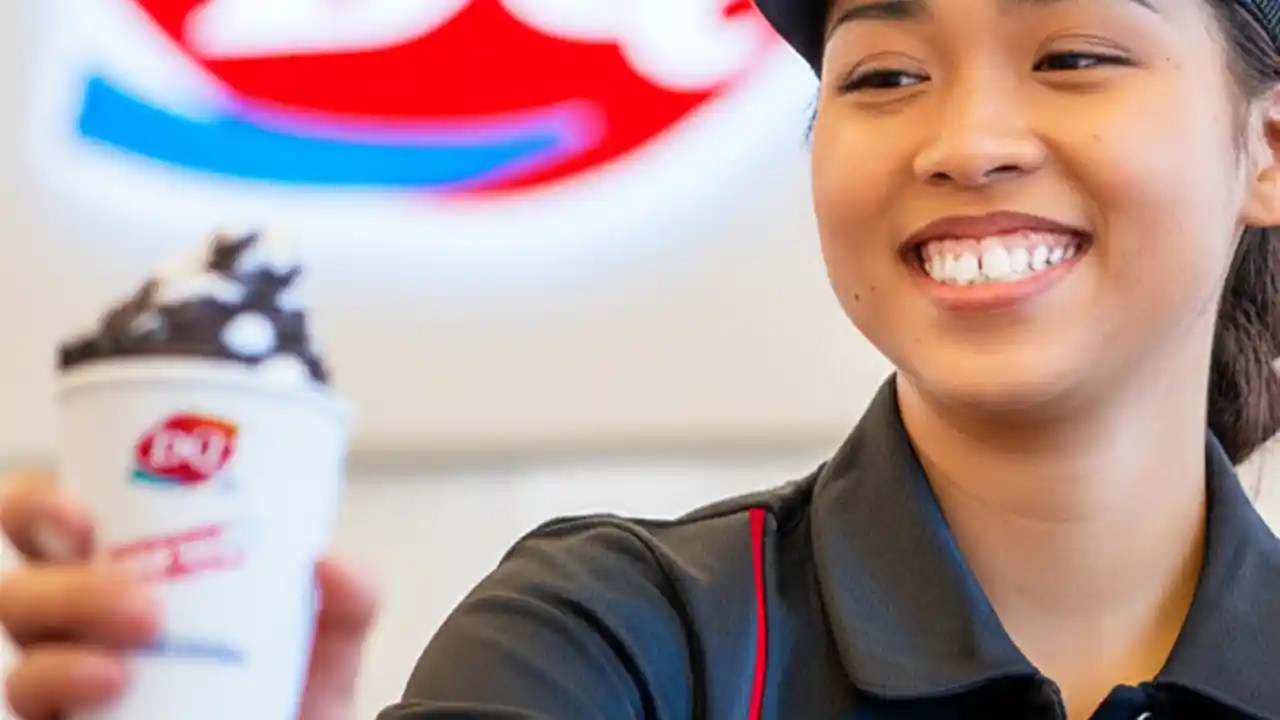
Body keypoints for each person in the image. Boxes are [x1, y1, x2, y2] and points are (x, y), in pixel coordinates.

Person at [6, 0, 1280, 717]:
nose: (964, 142)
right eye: (885, 73)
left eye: (1072, 56)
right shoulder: (614, 639)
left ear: (1264, 148)